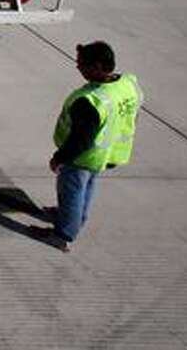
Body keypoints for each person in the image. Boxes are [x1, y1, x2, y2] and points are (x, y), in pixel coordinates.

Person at [38, 41, 143, 251]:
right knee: (86, 189)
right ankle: (73, 218)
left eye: (82, 64)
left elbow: (81, 139)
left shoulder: (90, 101)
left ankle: (63, 234)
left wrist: (60, 157)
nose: (77, 67)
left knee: (72, 192)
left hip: (84, 156)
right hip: (107, 152)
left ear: (97, 66)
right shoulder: (127, 84)